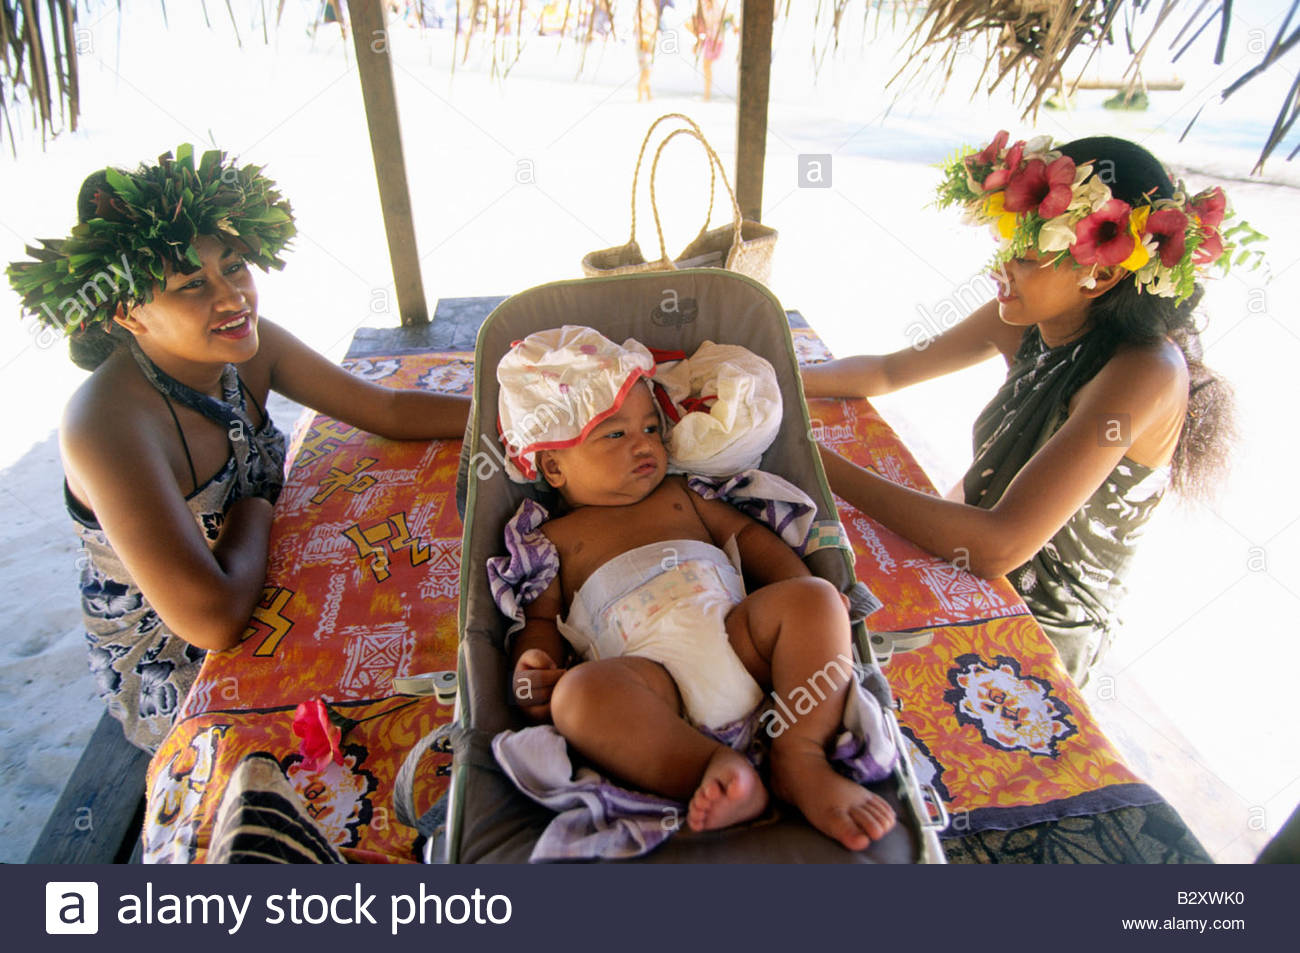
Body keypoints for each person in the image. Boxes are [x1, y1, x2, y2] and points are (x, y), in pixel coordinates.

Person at [6, 146, 469, 752]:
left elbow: (384, 409)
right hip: (174, 655)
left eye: (234, 268)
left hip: (256, 571)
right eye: (192, 285)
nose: (231, 298)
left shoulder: (249, 349)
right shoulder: (107, 428)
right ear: (128, 313)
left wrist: (513, 414)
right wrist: (257, 509)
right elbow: (211, 621)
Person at [802, 133, 1250, 684]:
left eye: (1028, 256)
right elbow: (889, 371)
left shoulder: (1143, 373)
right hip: (975, 551)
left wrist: (812, 458)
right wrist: (780, 378)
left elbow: (999, 546)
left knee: (826, 645)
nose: (1002, 266)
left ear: (1104, 272)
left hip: (1044, 623)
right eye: (1008, 244)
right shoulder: (1028, 317)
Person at [492, 327, 895, 852]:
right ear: (552, 465)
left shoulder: (683, 494)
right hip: (652, 686)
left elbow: (750, 536)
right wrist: (533, 670)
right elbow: (540, 622)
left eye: (652, 428)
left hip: (743, 643)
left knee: (816, 599)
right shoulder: (552, 540)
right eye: (614, 434)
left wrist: (797, 581)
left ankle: (799, 755)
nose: (644, 444)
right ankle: (713, 769)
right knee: (578, 696)